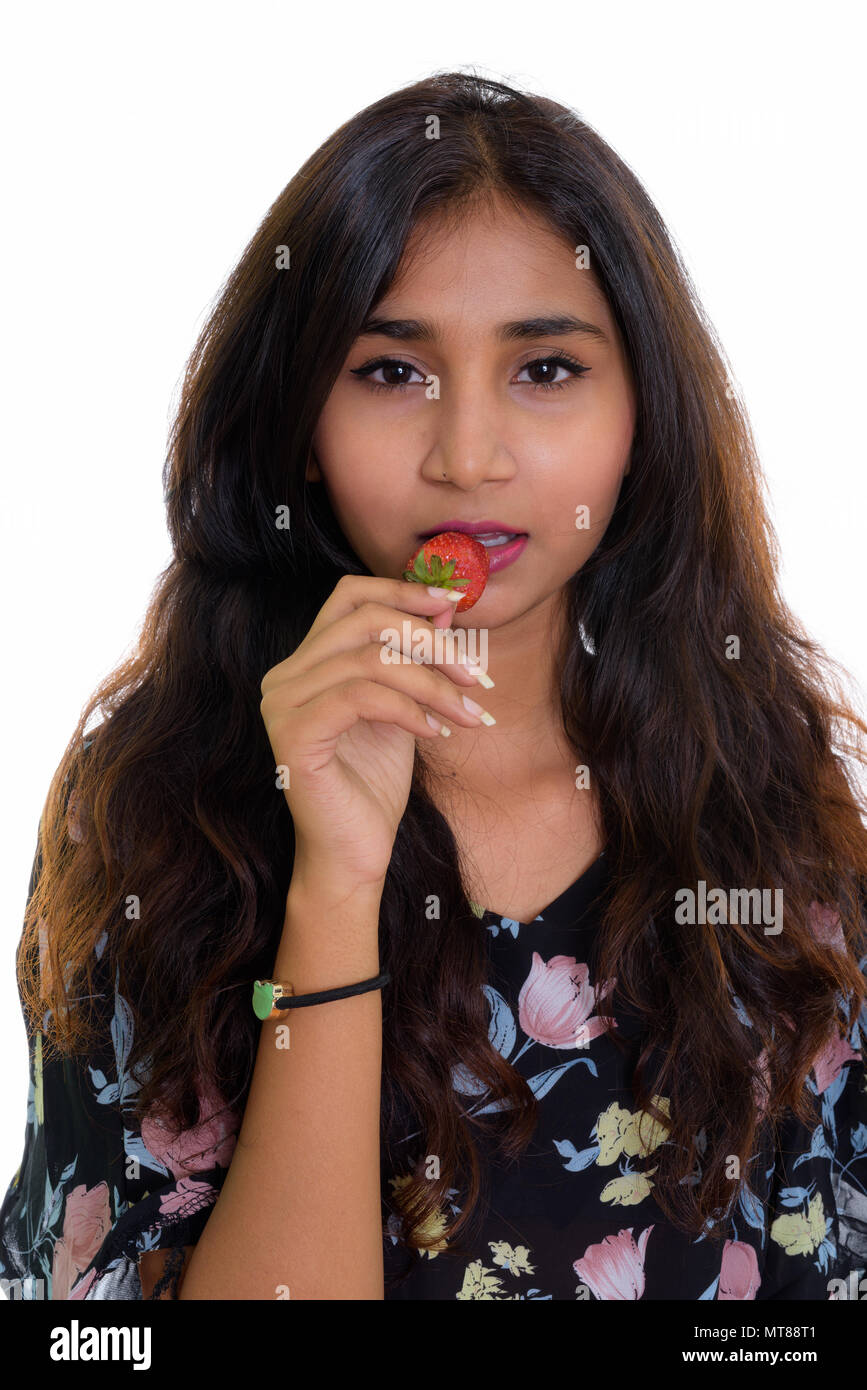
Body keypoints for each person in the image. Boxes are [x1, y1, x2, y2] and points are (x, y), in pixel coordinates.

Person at [1, 71, 865, 1303]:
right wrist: (335, 881)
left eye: (547, 369)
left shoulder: (771, 799)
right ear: (301, 421)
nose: (469, 456)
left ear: (644, 413)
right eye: (392, 372)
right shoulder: (151, 806)